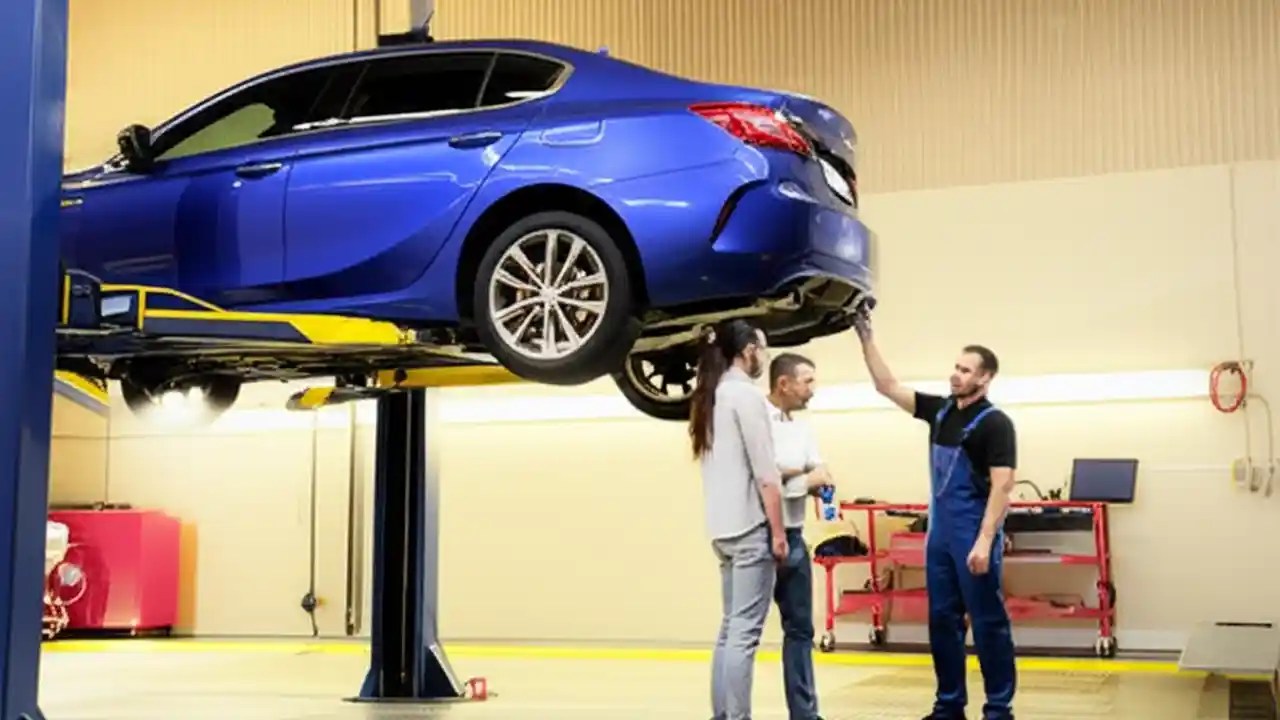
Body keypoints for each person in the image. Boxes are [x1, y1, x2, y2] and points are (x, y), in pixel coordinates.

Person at [852, 309, 1018, 720]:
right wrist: (865, 336)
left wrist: (984, 540)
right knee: (942, 620)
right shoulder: (940, 411)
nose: (956, 375)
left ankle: (998, 709)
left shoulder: (996, 424)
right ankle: (949, 707)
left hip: (973, 531)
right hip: (940, 534)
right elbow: (886, 385)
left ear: (985, 378)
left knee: (987, 621)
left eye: (966, 370)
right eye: (956, 367)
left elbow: (1004, 484)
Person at [689, 318, 788, 720]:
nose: (763, 357)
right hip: (749, 529)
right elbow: (766, 474)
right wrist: (778, 532)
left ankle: (722, 715)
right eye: (761, 349)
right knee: (745, 635)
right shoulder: (745, 397)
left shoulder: (710, 396)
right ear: (748, 352)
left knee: (730, 629)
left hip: (721, 529)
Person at [765, 352, 832, 720]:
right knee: (743, 632)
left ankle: (804, 714)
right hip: (761, 538)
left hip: (795, 536)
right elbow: (767, 482)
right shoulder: (756, 422)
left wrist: (805, 478)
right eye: (807, 381)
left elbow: (812, 468)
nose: (812, 390)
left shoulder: (802, 428)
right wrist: (804, 478)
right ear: (784, 383)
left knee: (801, 630)